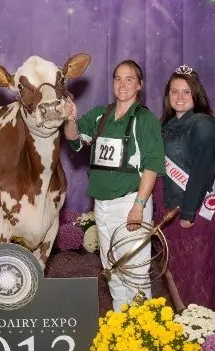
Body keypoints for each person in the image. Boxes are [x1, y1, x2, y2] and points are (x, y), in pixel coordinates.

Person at [64, 59, 165, 311]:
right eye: (117, 78)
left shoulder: (145, 119)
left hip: (130, 202)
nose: (122, 84)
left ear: (139, 85)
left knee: (136, 268)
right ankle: (121, 324)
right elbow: (74, 138)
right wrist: (70, 119)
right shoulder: (101, 114)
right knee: (111, 267)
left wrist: (139, 206)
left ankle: (143, 328)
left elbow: (152, 165)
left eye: (129, 79)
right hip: (101, 204)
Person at [153, 65, 215, 313]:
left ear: (196, 95)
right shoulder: (166, 124)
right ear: (167, 95)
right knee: (171, 269)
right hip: (166, 207)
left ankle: (205, 329)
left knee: (198, 271)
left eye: (186, 92)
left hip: (191, 209)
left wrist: (188, 213)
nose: (179, 97)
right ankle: (185, 323)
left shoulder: (203, 124)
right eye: (174, 91)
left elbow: (202, 172)